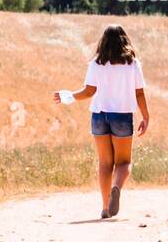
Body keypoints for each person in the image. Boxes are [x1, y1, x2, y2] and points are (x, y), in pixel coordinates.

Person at [53, 25, 150, 219]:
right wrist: (146, 116)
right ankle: (116, 187)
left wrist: (67, 96)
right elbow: (139, 93)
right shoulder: (133, 64)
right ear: (125, 40)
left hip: (99, 116)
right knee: (124, 162)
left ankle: (106, 207)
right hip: (122, 116)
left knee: (105, 163)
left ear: (103, 42)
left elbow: (89, 91)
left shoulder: (96, 64)